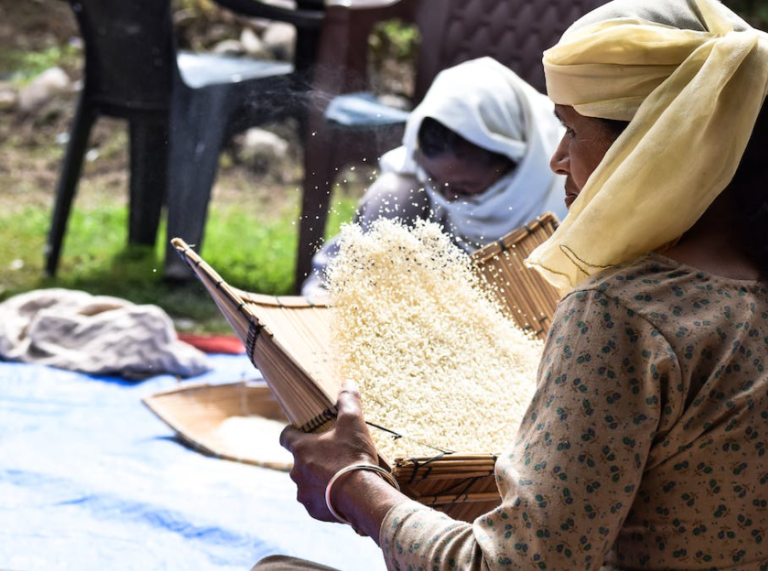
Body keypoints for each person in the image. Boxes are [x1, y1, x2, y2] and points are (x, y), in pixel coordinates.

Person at [267, 0, 768, 569]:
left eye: (573, 131)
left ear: (654, 151)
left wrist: (353, 485)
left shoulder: (621, 315)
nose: (558, 160)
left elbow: (515, 565)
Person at [301, 57, 567, 296]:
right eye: (435, 181)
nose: (448, 196)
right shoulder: (410, 189)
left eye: (464, 187)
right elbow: (333, 275)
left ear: (513, 164)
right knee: (394, 194)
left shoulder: (563, 187)